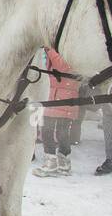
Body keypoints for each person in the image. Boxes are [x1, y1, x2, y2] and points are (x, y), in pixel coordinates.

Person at [32, 49, 78, 177]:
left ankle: (59, 162)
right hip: (53, 94)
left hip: (63, 95)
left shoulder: (66, 49)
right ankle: (57, 162)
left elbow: (61, 66)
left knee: (59, 132)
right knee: (50, 131)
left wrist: (49, 49)